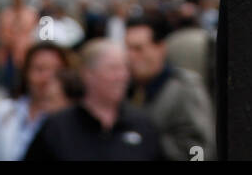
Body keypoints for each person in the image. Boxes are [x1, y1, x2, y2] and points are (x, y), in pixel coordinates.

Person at [24, 39, 161, 162]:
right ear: (87, 74)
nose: (122, 76)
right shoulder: (58, 128)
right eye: (113, 69)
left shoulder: (143, 125)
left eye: (125, 68)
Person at [126, 14, 215, 161]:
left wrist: (153, 141)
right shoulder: (128, 89)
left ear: (160, 48)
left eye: (138, 49)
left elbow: (201, 149)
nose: (130, 56)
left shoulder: (184, 89)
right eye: (128, 48)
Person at [0, 41, 71, 161]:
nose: (47, 78)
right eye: (40, 70)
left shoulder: (74, 117)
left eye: (56, 71)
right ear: (26, 73)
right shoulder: (7, 112)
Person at [0, 0, 37, 95]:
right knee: (10, 79)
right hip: (9, 52)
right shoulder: (6, 14)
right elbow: (1, 32)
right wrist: (9, 40)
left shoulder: (30, 14)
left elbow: (34, 32)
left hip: (26, 52)